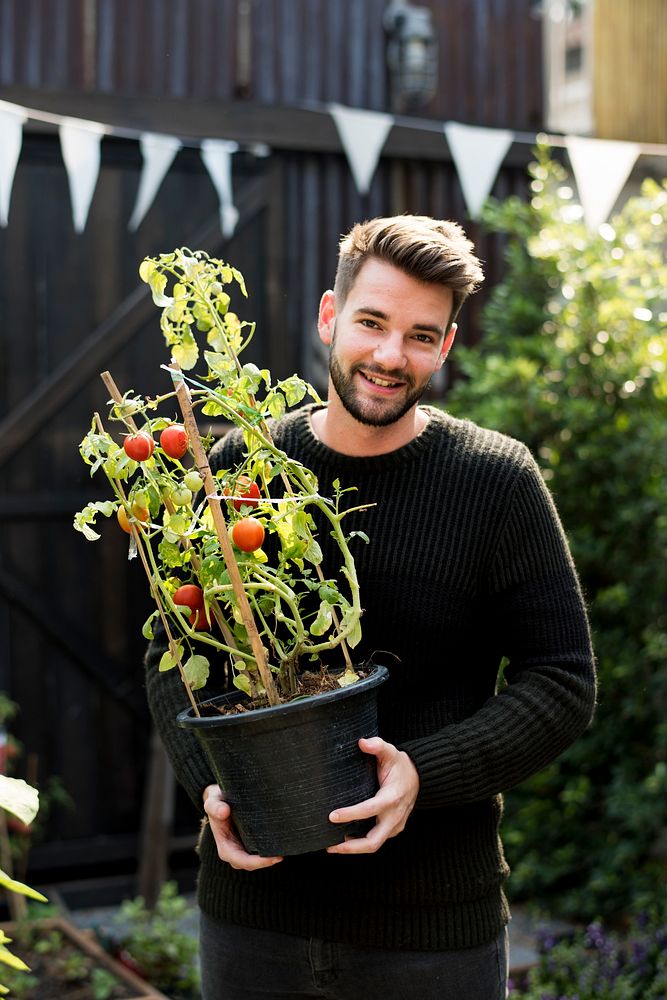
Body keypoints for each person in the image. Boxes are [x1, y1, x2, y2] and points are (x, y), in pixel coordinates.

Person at [145, 214, 596, 999]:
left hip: (432, 934)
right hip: (255, 919)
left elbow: (560, 679)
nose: (391, 357)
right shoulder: (242, 468)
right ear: (329, 316)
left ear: (446, 346)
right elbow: (172, 654)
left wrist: (423, 773)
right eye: (371, 323)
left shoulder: (495, 482)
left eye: (421, 335)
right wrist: (209, 787)